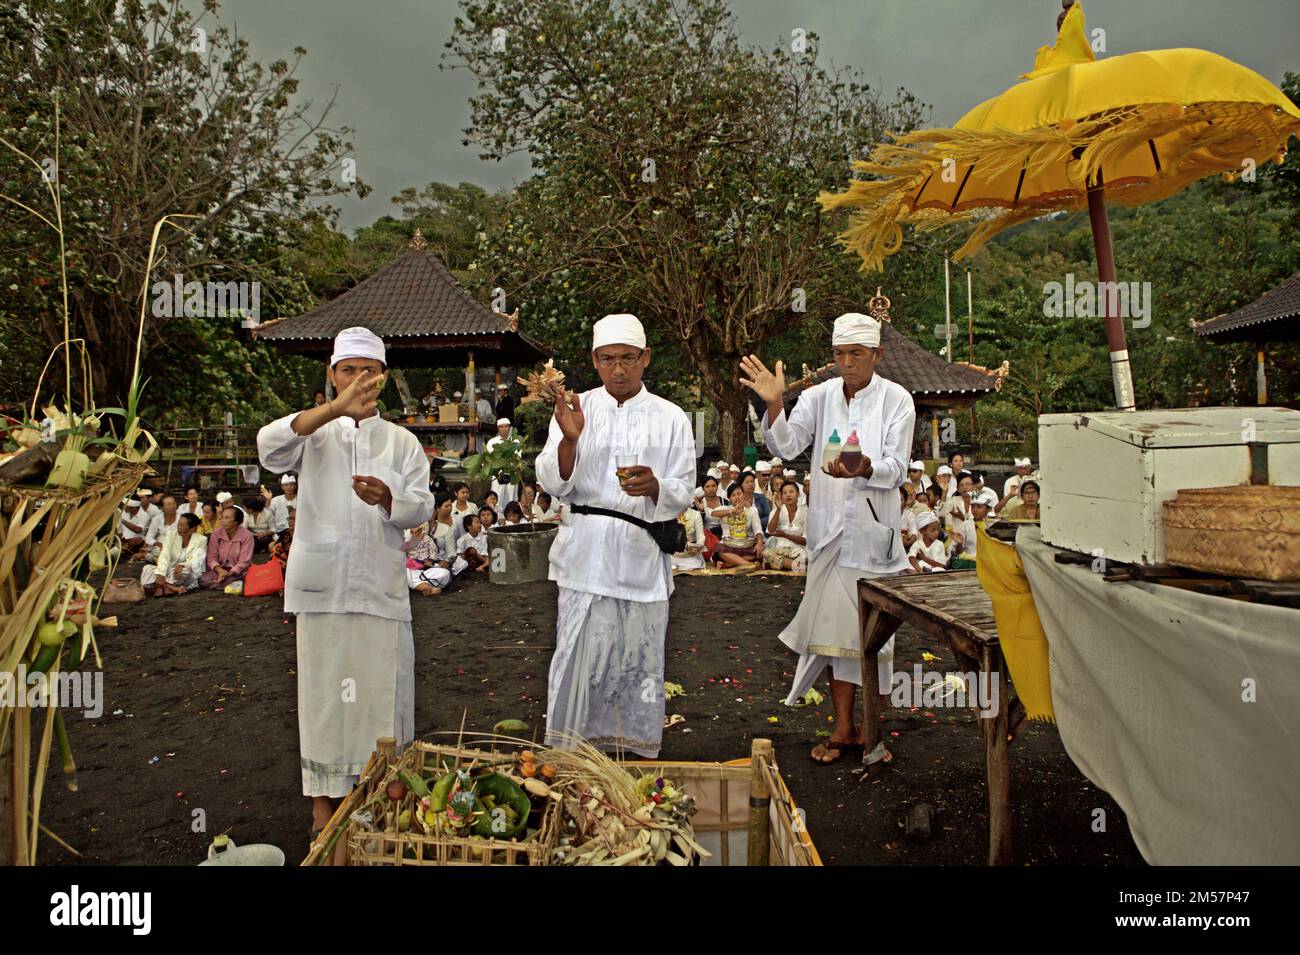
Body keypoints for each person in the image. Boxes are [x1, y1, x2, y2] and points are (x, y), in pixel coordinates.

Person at [257, 325, 434, 845]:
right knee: (323, 697)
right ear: (332, 375)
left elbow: (420, 503)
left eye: (368, 371)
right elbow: (269, 448)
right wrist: (333, 410)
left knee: (383, 693)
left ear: (383, 378)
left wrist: (387, 499)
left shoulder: (402, 441)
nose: (359, 380)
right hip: (323, 586)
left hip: (379, 586)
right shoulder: (312, 432)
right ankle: (321, 805)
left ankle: (381, 796)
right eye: (348, 370)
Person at [741, 310, 913, 767]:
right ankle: (844, 728)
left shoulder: (898, 400)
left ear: (877, 354)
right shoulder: (818, 396)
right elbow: (787, 446)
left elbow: (897, 467)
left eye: (856, 353)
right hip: (828, 535)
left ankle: (871, 731)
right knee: (835, 637)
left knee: (871, 641)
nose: (847, 362)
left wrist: (865, 468)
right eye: (839, 353)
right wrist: (775, 405)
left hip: (872, 534)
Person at [535, 312, 695, 759]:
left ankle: (632, 752)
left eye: (628, 358)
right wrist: (569, 441)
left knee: (637, 663)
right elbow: (552, 480)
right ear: (594, 359)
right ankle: (571, 754)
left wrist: (657, 487)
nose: (618, 369)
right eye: (608, 360)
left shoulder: (671, 417)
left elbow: (684, 486)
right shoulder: (574, 407)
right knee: (578, 661)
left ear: (646, 358)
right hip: (584, 554)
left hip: (640, 556)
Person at [142, 513, 208, 596]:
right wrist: (161, 574)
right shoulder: (171, 534)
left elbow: (197, 561)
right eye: (179, 524)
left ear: (192, 529)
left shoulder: (201, 540)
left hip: (185, 572)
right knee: (147, 568)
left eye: (182, 525)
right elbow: (165, 554)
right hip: (169, 570)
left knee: (186, 571)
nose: (179, 527)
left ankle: (159, 586)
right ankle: (170, 587)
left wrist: (182, 565)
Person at [200, 504, 254, 589]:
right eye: (222, 517)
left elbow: (244, 561)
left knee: (221, 583)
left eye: (227, 518)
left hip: (238, 571)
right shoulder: (216, 534)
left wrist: (230, 573)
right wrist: (220, 570)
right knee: (202, 580)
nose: (223, 521)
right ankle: (220, 583)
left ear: (236, 521)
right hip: (219, 569)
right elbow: (211, 557)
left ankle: (222, 583)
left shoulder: (247, 536)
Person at [713, 482, 765, 568]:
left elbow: (758, 530)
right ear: (729, 498)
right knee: (720, 551)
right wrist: (732, 511)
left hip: (747, 544)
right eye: (733, 495)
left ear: (743, 495)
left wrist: (759, 543)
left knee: (760, 551)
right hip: (729, 545)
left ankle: (729, 563)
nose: (737, 497)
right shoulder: (725, 509)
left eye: (739, 493)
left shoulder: (752, 510)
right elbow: (713, 513)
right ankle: (749, 564)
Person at [764, 479, 808, 571]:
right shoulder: (776, 511)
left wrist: (785, 535)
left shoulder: (805, 512)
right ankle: (802, 568)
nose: (788, 495)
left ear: (798, 494)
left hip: (798, 548)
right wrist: (778, 509)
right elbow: (771, 531)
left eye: (791, 492)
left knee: (806, 555)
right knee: (768, 553)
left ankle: (785, 564)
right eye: (785, 493)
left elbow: (805, 541)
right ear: (782, 496)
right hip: (778, 548)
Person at [403, 522, 452, 596]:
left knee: (445, 573)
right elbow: (402, 553)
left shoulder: (427, 539)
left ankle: (423, 585)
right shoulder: (405, 538)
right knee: (406, 573)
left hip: (426, 569)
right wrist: (411, 536)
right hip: (411, 568)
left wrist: (429, 561)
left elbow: (433, 553)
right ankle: (427, 587)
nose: (418, 528)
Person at [485, 418, 521, 507]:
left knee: (512, 497)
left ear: (509, 428)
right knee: (496, 497)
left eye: (506, 426)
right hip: (498, 473)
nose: (504, 429)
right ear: (498, 428)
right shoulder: (492, 442)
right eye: (501, 427)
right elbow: (491, 459)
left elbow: (517, 458)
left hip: (512, 472)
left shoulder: (516, 441)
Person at [144, 494, 181, 561]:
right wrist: (158, 544)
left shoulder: (182, 517)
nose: (172, 506)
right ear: (162, 507)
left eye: (174, 503)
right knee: (157, 553)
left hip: (177, 546)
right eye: (169, 504)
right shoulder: (157, 519)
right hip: (160, 547)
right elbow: (148, 537)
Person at [671, 506, 706, 572]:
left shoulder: (695, 514)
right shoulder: (667, 513)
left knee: (695, 564)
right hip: (672, 554)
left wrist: (697, 547)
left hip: (690, 554)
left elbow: (701, 536)